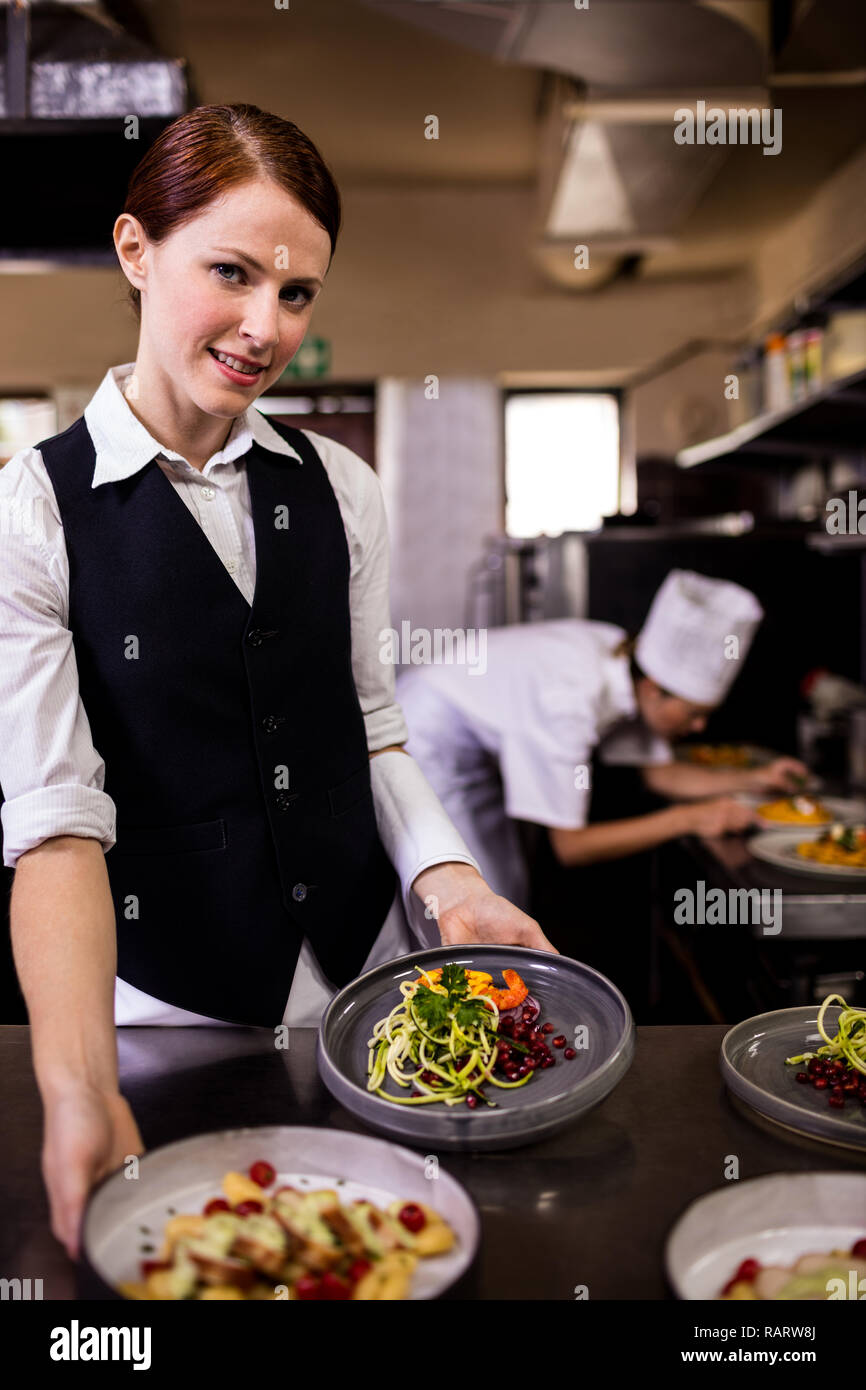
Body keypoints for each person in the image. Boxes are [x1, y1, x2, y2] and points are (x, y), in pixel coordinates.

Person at [0, 104, 554, 1259]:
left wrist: (451, 883)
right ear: (135, 250)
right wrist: (74, 1086)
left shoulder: (339, 486)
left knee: (373, 1256)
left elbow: (368, 721)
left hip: (367, 984)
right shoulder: (32, 508)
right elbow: (55, 827)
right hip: (169, 1015)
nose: (267, 327)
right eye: (232, 273)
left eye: (297, 293)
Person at [395, 569, 808, 908]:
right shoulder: (570, 700)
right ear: (653, 689)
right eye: (694, 713)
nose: (699, 728)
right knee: (473, 902)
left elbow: (661, 776)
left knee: (503, 891)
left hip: (470, 754)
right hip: (426, 744)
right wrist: (689, 819)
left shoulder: (621, 662)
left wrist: (758, 780)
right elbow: (571, 847)